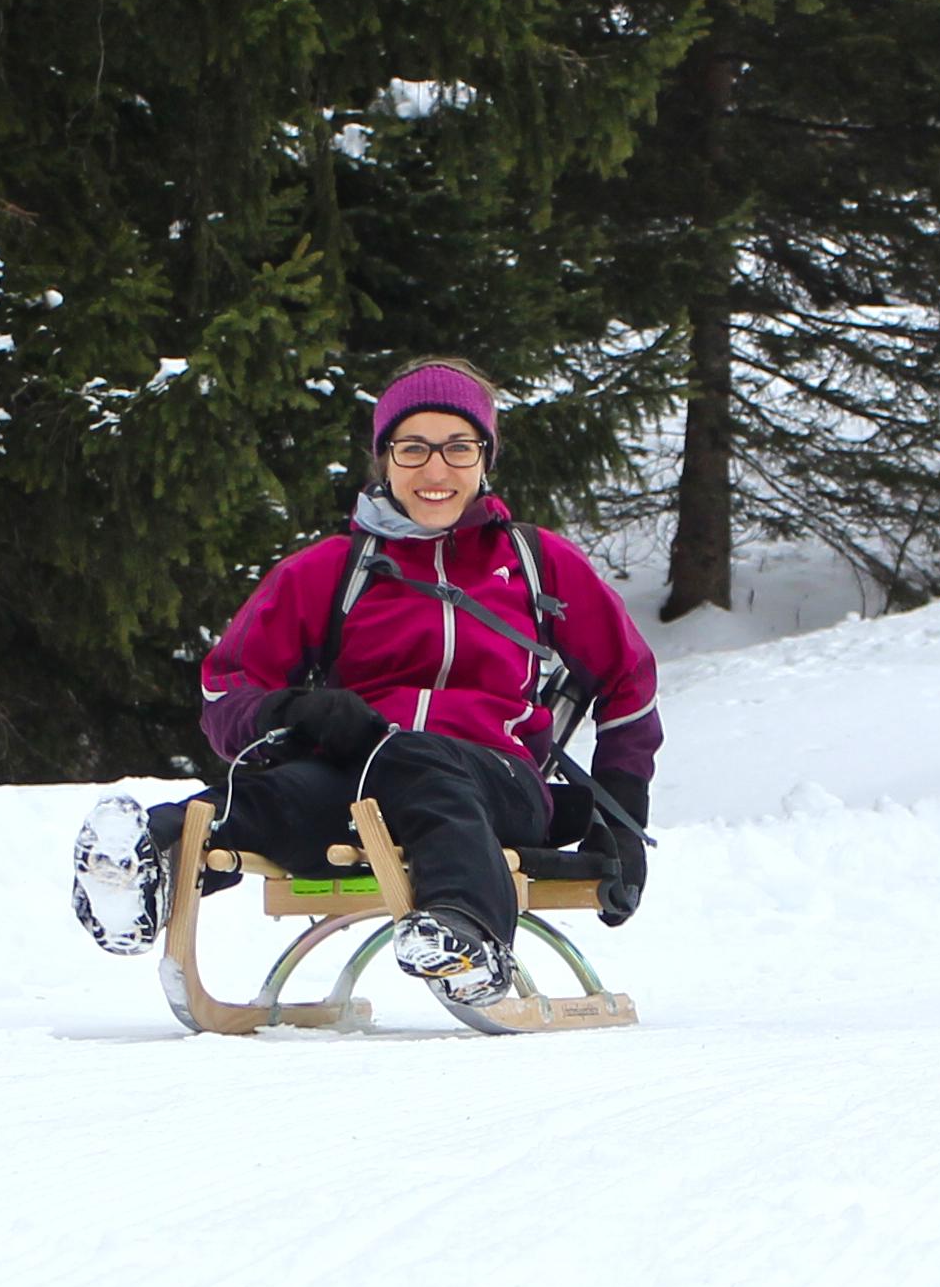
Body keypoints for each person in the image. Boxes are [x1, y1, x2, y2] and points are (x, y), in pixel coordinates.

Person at [70, 361, 665, 1029]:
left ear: (484, 459)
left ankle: (465, 931)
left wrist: (622, 814)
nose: (435, 470)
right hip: (359, 779)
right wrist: (289, 711)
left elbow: (628, 680)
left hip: (495, 781)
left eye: (457, 447)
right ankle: (143, 864)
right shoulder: (333, 569)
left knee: (417, 763)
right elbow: (224, 686)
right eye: (413, 448)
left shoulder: (536, 563)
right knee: (283, 789)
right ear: (385, 458)